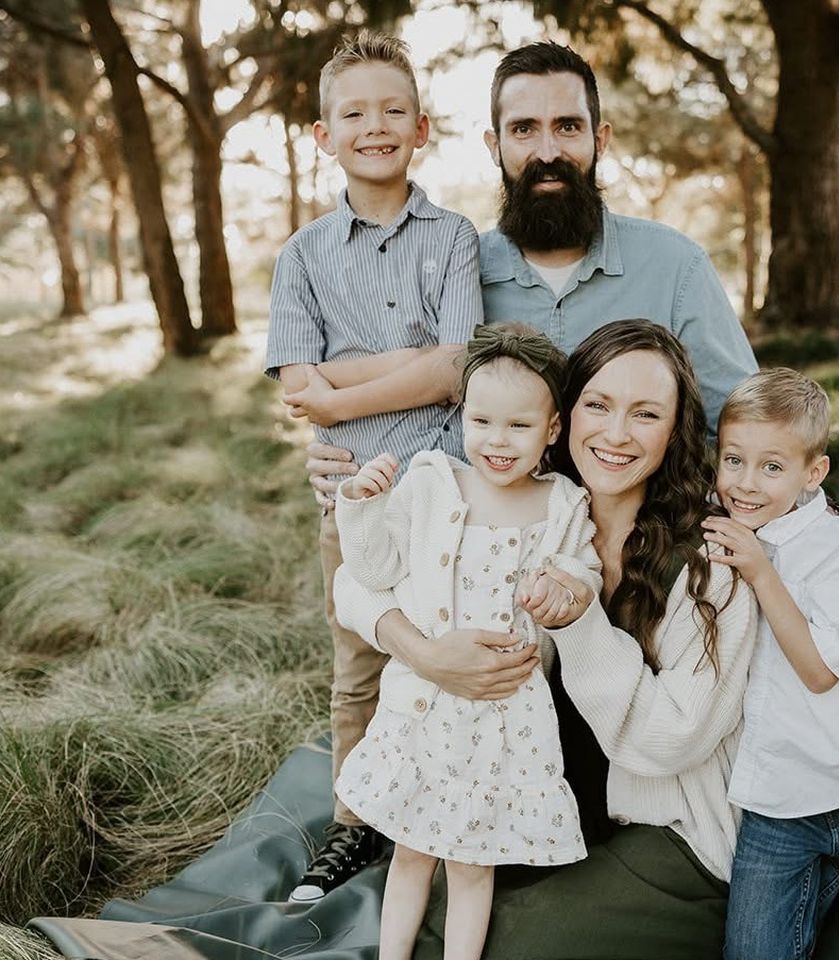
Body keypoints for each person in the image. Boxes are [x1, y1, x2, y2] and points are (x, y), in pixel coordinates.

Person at [334, 320, 759, 957]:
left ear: (676, 431)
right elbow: (357, 582)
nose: (616, 434)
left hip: (664, 826)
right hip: (536, 785)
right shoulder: (531, 502)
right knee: (436, 904)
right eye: (598, 405)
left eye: (646, 414)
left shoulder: (711, 564)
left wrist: (578, 622)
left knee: (510, 945)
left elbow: (669, 742)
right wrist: (427, 655)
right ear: (564, 417)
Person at [264, 30, 483, 901]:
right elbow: (296, 381)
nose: (376, 126)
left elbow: (456, 369)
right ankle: (355, 824)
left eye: (394, 110)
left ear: (421, 128)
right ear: (325, 136)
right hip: (351, 497)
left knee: (444, 658)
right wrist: (406, 366)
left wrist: (340, 395)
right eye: (353, 114)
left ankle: (451, 813)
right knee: (358, 667)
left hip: (449, 490)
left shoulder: (454, 238)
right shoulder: (303, 255)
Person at [333, 324, 600, 960]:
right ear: (462, 417)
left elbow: (584, 569)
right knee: (411, 851)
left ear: (552, 429)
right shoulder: (431, 483)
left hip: (506, 718)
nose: (497, 441)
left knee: (474, 864)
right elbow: (373, 570)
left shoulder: (563, 503)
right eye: (482, 422)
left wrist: (565, 586)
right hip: (424, 707)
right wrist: (361, 506)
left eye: (518, 426)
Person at [699, 368, 839, 960]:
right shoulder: (723, 524)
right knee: (753, 952)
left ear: (813, 473)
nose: (746, 484)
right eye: (733, 460)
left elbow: (819, 673)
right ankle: (833, 878)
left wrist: (761, 571)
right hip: (775, 801)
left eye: (772, 467)